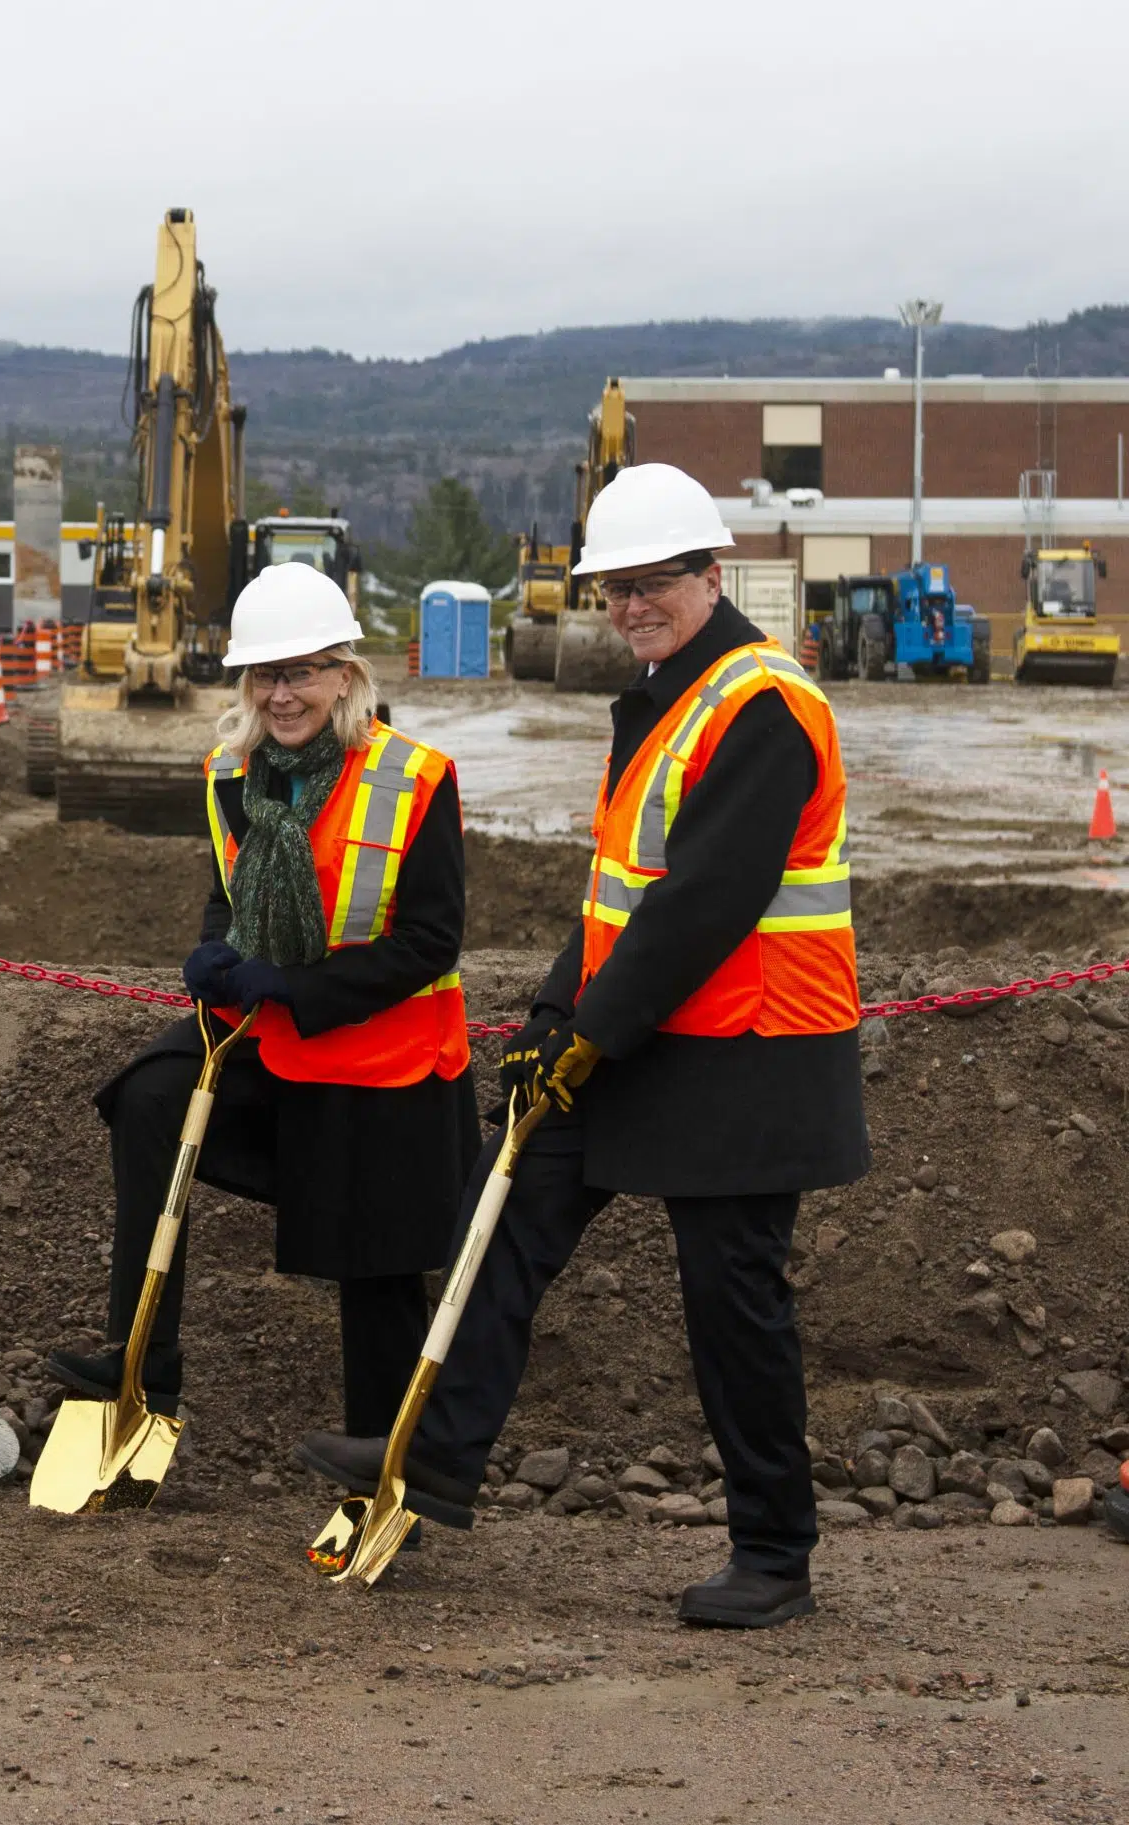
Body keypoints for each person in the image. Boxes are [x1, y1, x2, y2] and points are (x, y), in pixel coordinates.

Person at [296, 463, 868, 1629]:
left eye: (651, 583)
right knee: (509, 1205)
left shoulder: (762, 703)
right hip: (646, 1036)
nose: (628, 605)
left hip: (750, 1053)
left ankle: (773, 1553)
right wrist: (557, 1018)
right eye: (612, 588)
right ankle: (434, 1455)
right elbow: (618, 894)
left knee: (732, 1303)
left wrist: (590, 1035)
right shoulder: (666, 691)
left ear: (711, 573)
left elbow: (703, 903)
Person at [45, 563, 475, 1453]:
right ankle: (142, 1363)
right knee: (149, 1097)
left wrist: (302, 987)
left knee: (375, 1265)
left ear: (345, 676)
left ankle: (386, 1458)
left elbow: (431, 942)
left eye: (303, 672)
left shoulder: (415, 778)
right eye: (265, 676)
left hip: (386, 1055)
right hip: (272, 1038)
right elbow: (227, 896)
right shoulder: (232, 774)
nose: (283, 695)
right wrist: (218, 952)